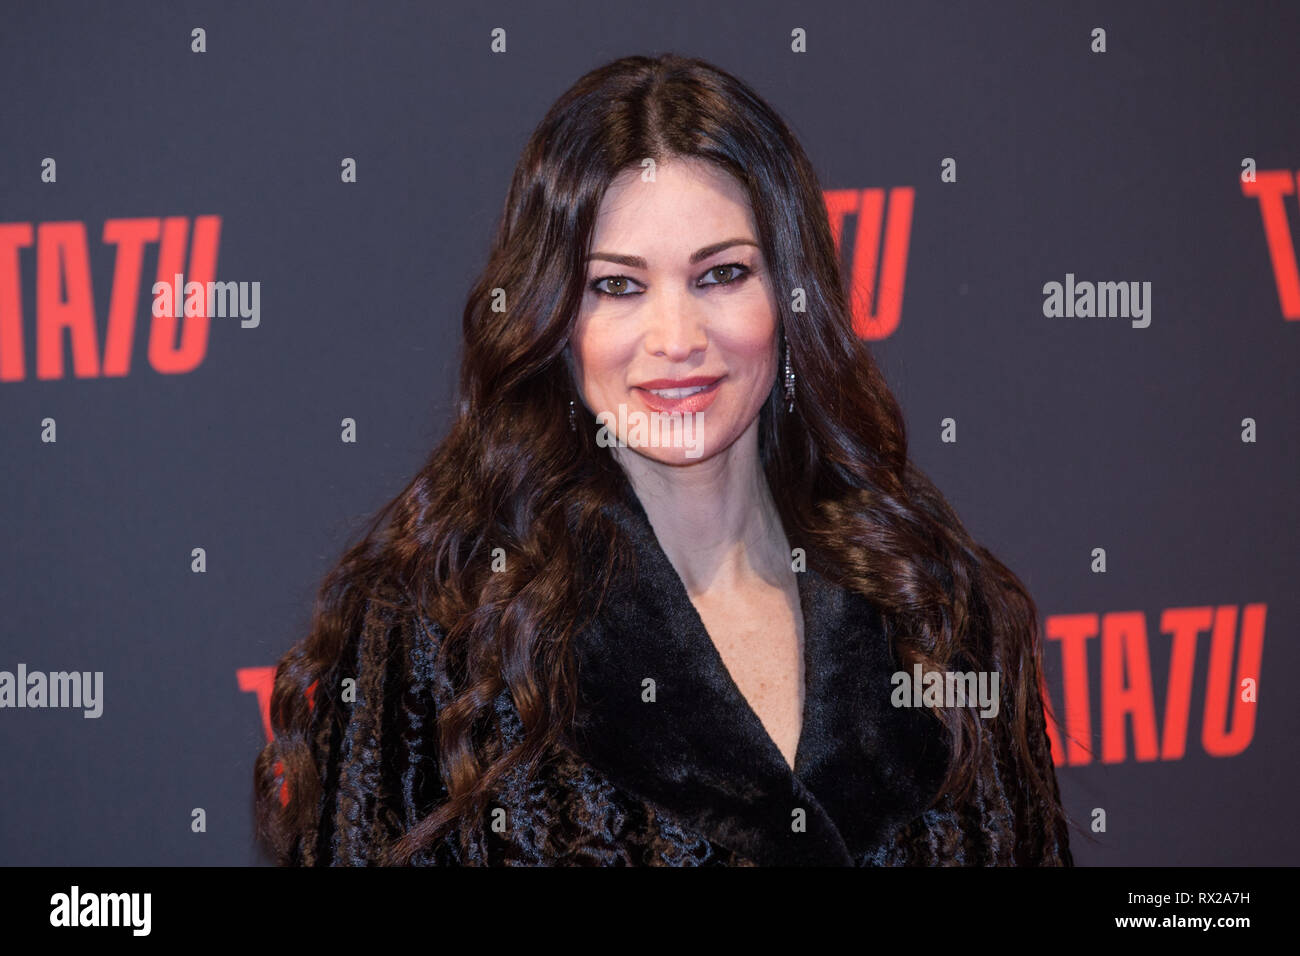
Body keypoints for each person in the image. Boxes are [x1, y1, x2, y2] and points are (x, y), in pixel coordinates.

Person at [253, 52, 1073, 866]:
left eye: (722, 275)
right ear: (549, 319)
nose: (677, 341)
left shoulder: (941, 612)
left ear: (789, 298)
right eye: (617, 286)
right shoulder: (437, 635)